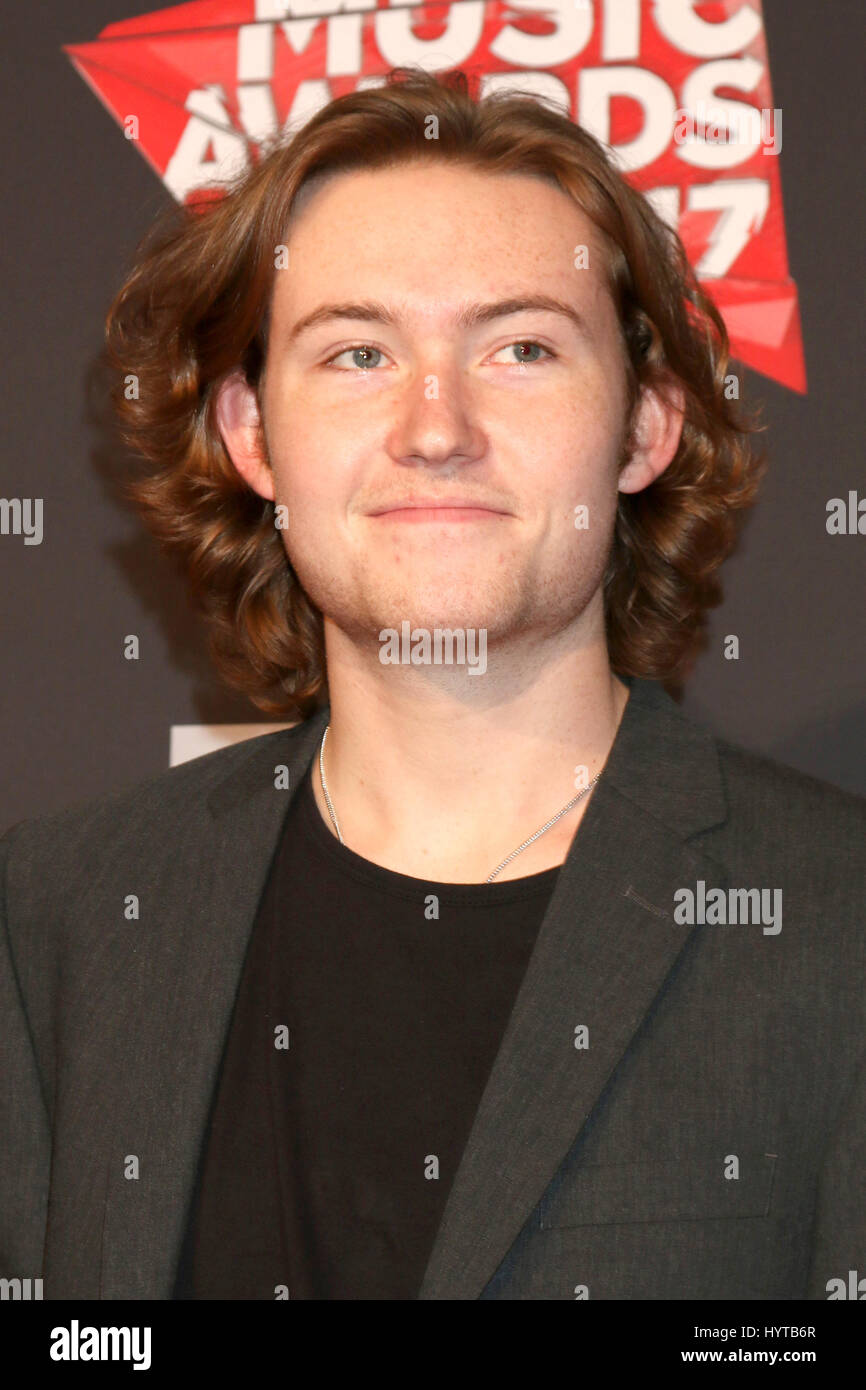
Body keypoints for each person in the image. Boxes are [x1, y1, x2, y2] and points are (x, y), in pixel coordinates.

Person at [2, 68, 864, 1302]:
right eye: (357, 352)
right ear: (251, 434)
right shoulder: (54, 926)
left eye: (518, 347)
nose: (434, 425)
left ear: (643, 426)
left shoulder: (838, 927)